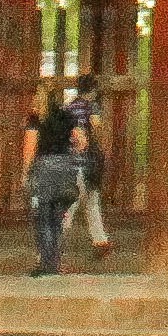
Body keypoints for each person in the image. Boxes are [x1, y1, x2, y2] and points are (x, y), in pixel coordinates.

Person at [25, 88, 87, 277]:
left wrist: (26, 172)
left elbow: (30, 147)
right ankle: (55, 262)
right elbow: (82, 141)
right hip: (65, 167)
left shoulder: (36, 119)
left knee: (43, 218)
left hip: (44, 168)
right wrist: (71, 153)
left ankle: (46, 263)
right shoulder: (66, 116)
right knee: (58, 219)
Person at [65, 82, 113, 265]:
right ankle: (99, 240)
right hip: (88, 164)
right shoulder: (91, 106)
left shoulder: (69, 107)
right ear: (92, 91)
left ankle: (100, 240)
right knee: (82, 203)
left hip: (73, 162)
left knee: (80, 201)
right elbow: (97, 125)